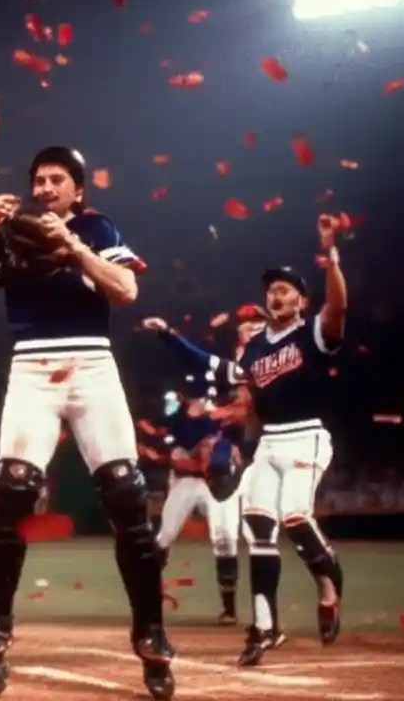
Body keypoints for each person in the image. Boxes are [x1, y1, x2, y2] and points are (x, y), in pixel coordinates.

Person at [0, 146, 175, 700]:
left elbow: (126, 291)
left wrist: (74, 245)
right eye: (39, 180)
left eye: (57, 179)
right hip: (31, 366)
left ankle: (151, 634)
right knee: (12, 491)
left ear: (79, 189)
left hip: (92, 365)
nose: (46, 188)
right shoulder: (13, 233)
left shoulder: (99, 228)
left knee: (127, 495)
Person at [149, 213, 348, 667]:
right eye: (272, 290)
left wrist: (331, 256)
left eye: (286, 289)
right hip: (270, 443)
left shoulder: (311, 333)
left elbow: (338, 309)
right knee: (258, 526)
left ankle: (328, 576)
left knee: (295, 516)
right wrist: (169, 338)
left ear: (302, 300)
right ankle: (264, 627)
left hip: (306, 436)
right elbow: (217, 367)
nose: (276, 294)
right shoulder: (256, 348)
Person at [143, 359, 242, 625]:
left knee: (225, 538)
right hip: (187, 480)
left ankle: (229, 608)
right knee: (165, 535)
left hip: (218, 483)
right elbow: (179, 461)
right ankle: (147, 599)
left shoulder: (224, 417)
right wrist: (204, 459)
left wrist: (219, 458)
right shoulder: (178, 421)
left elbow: (234, 453)